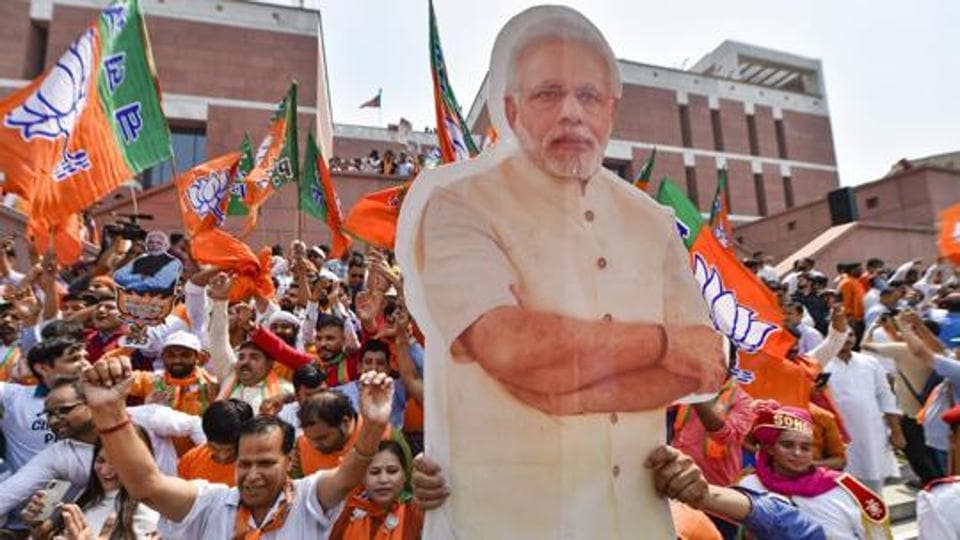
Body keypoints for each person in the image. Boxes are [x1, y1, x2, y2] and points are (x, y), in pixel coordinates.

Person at [397, 6, 724, 538]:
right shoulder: (459, 204)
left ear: (611, 110)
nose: (571, 112)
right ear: (512, 107)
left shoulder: (652, 221)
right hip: (508, 520)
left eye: (589, 96)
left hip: (637, 517)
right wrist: (663, 344)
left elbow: (706, 363)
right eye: (548, 93)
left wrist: (561, 391)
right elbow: (506, 345)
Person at [79, 353, 395, 539]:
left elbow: (349, 474)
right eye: (244, 464)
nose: (252, 475)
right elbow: (146, 486)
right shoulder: (210, 503)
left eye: (266, 463)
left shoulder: (309, 498)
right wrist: (108, 411)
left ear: (289, 461)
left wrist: (375, 425)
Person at [738, 403, 892, 539]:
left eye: (805, 448)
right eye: (788, 445)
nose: (797, 453)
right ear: (770, 448)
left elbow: (878, 535)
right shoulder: (750, 485)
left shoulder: (846, 486)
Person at [22, 427, 160, 539]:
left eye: (116, 464)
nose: (105, 470)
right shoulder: (88, 496)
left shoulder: (147, 511)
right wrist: (37, 526)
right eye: (100, 460)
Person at [823, 324, 905, 494]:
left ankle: (876, 518)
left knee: (874, 483)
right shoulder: (820, 364)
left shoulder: (870, 362)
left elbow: (885, 396)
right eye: (843, 335)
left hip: (871, 431)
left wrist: (896, 431)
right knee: (842, 485)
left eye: (851, 335)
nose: (848, 338)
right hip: (838, 434)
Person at [206, 273, 294, 411]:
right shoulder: (230, 374)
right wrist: (220, 301)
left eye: (254, 357)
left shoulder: (285, 392)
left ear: (270, 364)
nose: (245, 362)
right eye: (241, 357)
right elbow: (218, 341)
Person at [328, 440, 423, 539]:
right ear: (363, 478)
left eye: (392, 471)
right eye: (375, 472)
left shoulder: (416, 512)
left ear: (404, 475)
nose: (383, 480)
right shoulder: (346, 513)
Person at [291, 390, 399, 478]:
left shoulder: (385, 435)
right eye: (310, 438)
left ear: (345, 422)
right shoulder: (301, 446)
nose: (315, 445)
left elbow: (407, 490)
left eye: (323, 438)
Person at [671, 378, 755, 486]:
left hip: (717, 483)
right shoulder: (689, 387)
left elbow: (727, 436)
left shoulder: (743, 401)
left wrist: (696, 400)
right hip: (680, 471)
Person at [126, 330, 218, 416]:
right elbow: (119, 376)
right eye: (171, 355)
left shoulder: (211, 385)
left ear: (198, 358)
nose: (177, 360)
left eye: (185, 355)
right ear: (163, 357)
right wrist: (148, 409)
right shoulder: (154, 380)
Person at [177, 399, 254, 486]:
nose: (223, 456)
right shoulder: (190, 461)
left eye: (229, 450)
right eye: (213, 448)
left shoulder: (255, 466)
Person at [113, 231, 183, 294]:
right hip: (131, 298)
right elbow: (118, 276)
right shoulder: (140, 259)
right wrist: (141, 277)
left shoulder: (174, 262)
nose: (154, 245)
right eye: (151, 242)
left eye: (159, 243)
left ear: (166, 246)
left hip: (159, 303)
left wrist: (131, 284)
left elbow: (159, 284)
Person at [278, 363, 329, 435]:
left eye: (321, 392)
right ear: (297, 396)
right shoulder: (284, 416)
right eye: (310, 395)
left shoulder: (340, 412)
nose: (317, 399)